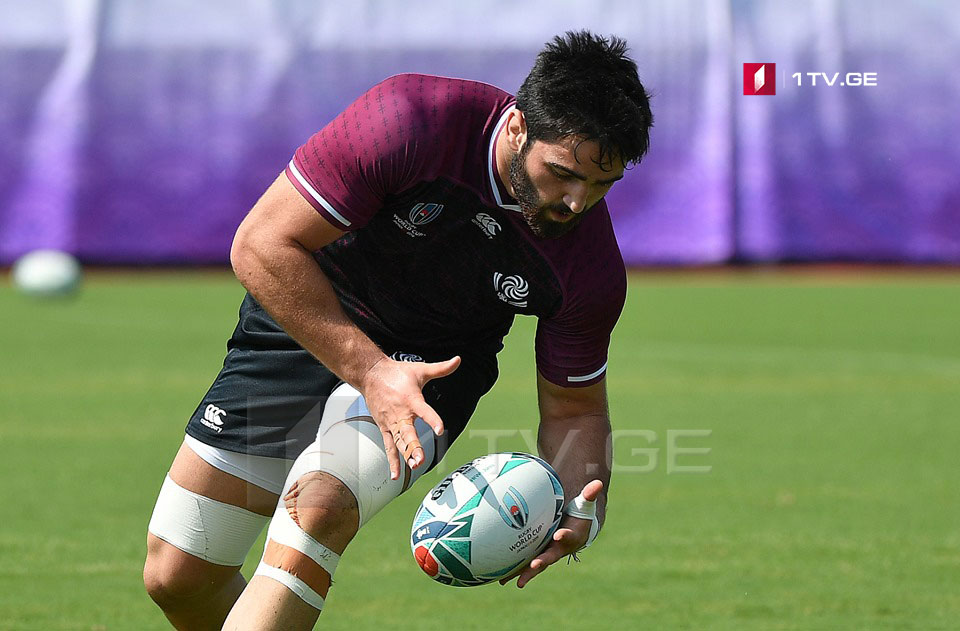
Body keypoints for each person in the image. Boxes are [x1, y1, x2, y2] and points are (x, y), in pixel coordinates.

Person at [143, 30, 653, 630]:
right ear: (517, 127)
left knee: (319, 505)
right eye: (563, 172)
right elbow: (260, 245)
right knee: (178, 577)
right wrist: (371, 370)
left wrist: (580, 505)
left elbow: (575, 409)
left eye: (600, 185)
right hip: (310, 318)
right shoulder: (408, 121)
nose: (575, 202)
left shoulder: (588, 267)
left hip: (437, 370)